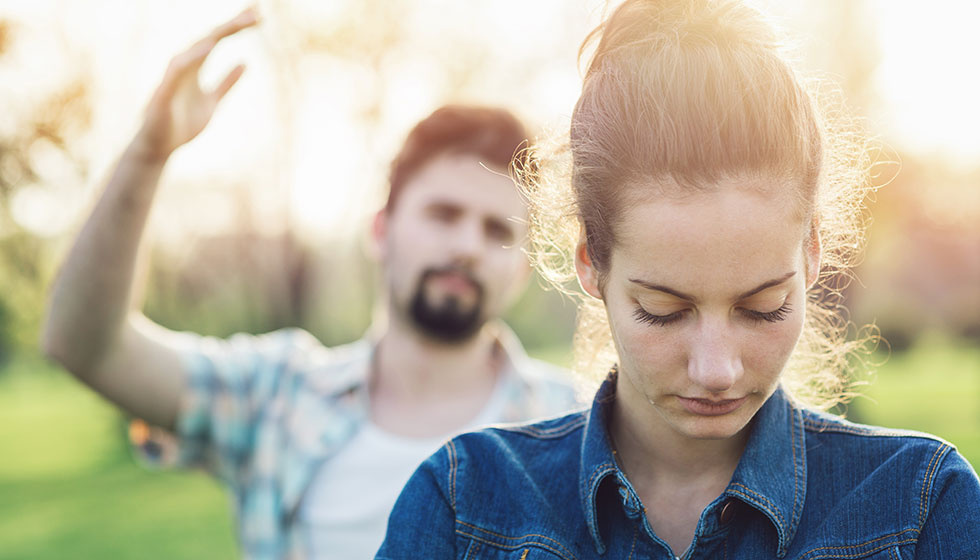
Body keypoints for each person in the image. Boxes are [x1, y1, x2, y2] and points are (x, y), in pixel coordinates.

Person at [376, 0, 980, 558]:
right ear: (590, 261)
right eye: (663, 311)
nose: (717, 370)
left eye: (764, 307)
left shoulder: (922, 507)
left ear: (813, 253)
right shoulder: (463, 506)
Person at [40, 8, 580, 560]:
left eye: (497, 231)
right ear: (381, 229)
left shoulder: (580, 430)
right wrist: (147, 154)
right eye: (443, 214)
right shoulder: (277, 399)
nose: (467, 245)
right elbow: (87, 347)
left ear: (522, 268)